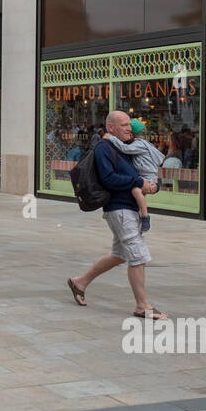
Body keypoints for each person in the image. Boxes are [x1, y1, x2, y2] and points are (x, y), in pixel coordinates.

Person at [64, 111, 164, 319]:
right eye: (124, 125)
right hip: (119, 209)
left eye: (129, 125)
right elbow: (109, 178)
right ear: (111, 128)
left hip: (129, 208)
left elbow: (139, 173)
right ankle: (142, 306)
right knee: (137, 256)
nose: (129, 128)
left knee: (119, 255)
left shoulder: (126, 148)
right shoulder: (104, 148)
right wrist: (138, 183)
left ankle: (79, 282)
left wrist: (154, 186)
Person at [107, 118, 166, 233]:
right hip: (145, 175)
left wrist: (112, 138)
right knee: (140, 198)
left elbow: (125, 149)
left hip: (147, 176)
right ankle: (140, 222)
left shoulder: (138, 144)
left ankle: (145, 217)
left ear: (132, 134)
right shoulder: (142, 143)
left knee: (136, 191)